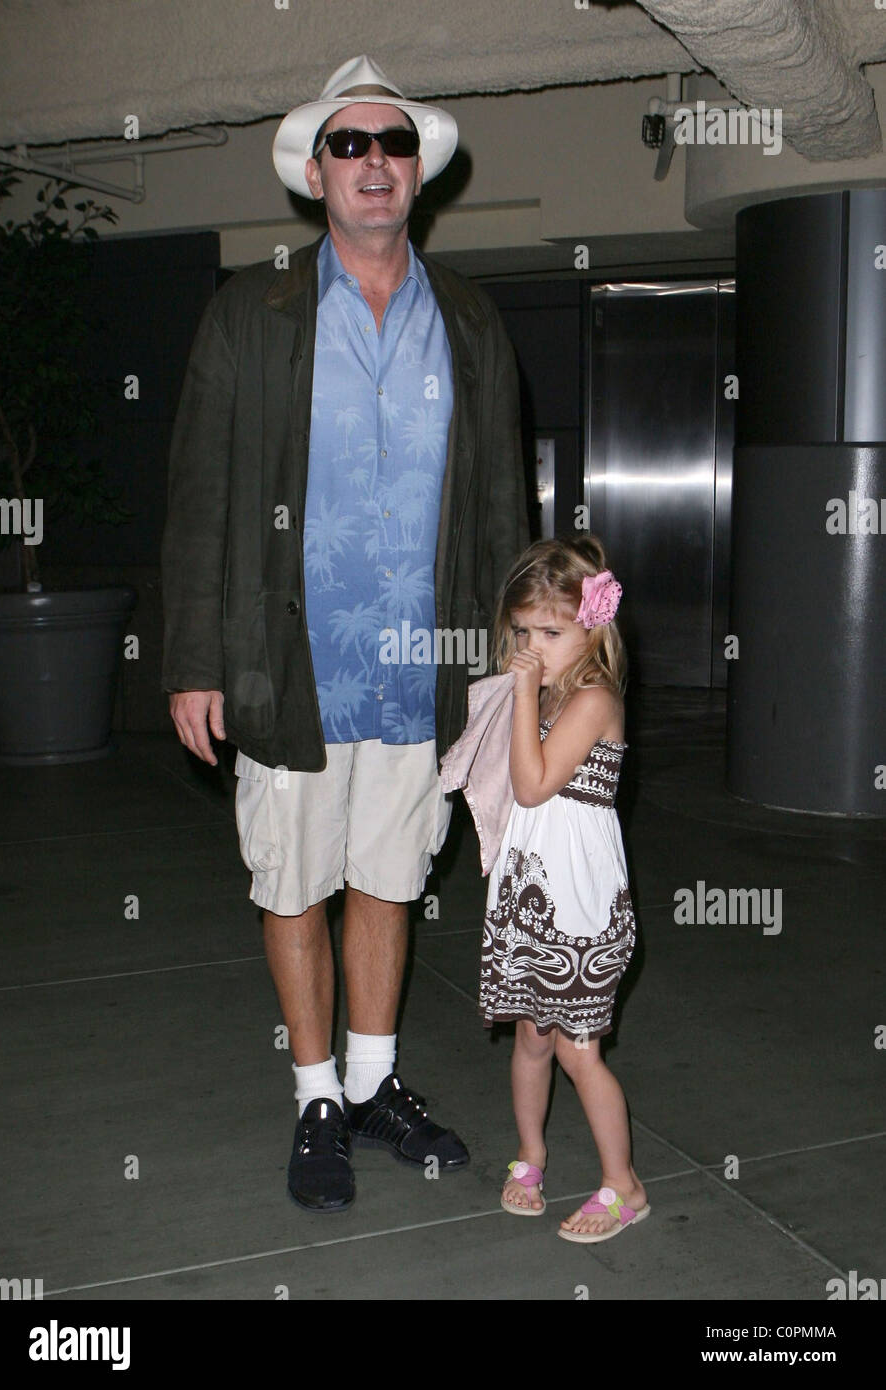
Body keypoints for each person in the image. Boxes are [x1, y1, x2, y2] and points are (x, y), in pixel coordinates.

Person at [161, 54, 530, 1213]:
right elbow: (202, 495)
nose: (374, 162)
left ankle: (375, 1082)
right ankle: (315, 1093)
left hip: (424, 666)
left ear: (416, 172)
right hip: (292, 660)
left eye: (392, 145)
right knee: (293, 886)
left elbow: (501, 505)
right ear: (316, 173)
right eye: (350, 144)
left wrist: (517, 657)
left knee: (388, 878)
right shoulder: (250, 314)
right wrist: (194, 662)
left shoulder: (470, 321)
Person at [476, 534, 649, 1241]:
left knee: (579, 1049)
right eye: (521, 631)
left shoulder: (591, 699)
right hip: (529, 903)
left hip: (579, 909)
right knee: (532, 1039)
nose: (532, 646)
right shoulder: (543, 693)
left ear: (591, 628)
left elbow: (533, 782)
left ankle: (623, 1186)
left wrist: (520, 693)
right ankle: (531, 1155)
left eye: (550, 631)